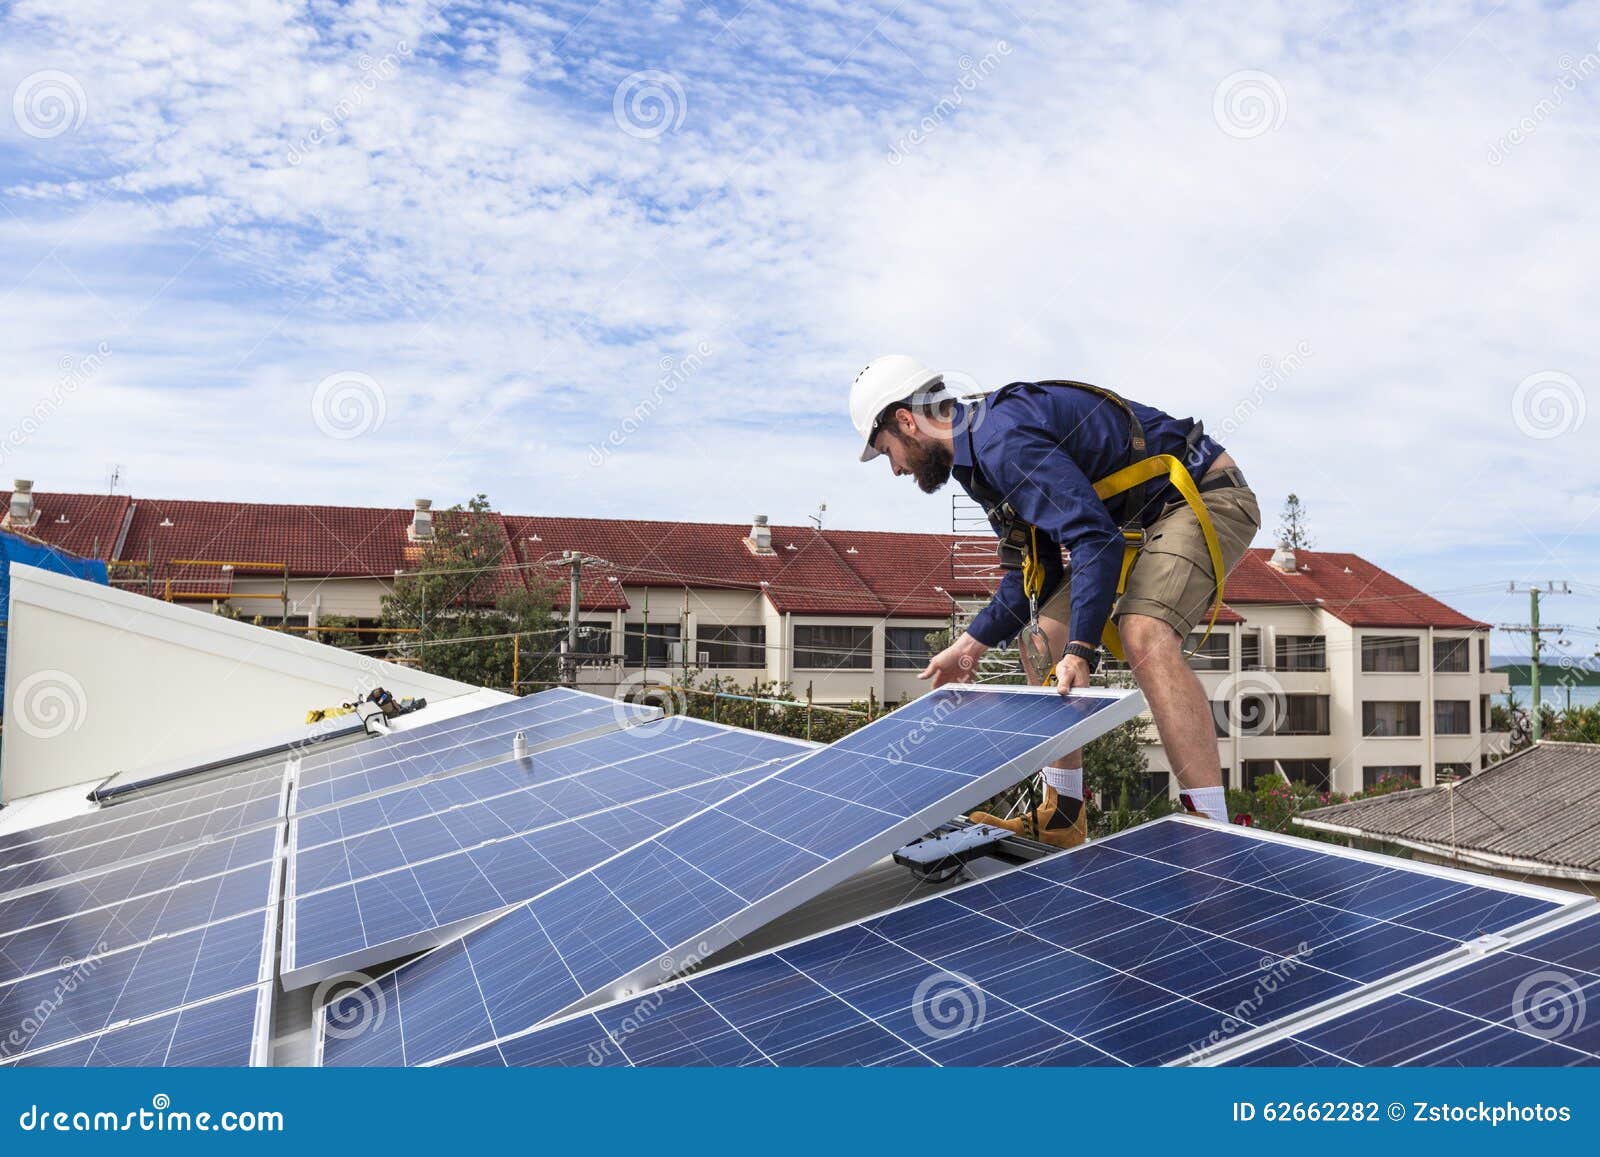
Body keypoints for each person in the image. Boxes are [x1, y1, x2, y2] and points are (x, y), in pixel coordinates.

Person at [849, 355, 1261, 847]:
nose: (894, 468)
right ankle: (1063, 816)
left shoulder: (1002, 441)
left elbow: (1094, 539)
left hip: (1202, 495)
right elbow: (1034, 576)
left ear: (906, 420)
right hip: (1133, 521)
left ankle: (1212, 831)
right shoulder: (975, 461)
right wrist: (969, 648)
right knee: (1042, 636)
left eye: (888, 451)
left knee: (1143, 633)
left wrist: (1081, 651)